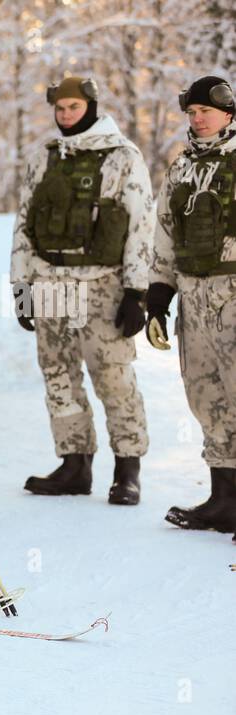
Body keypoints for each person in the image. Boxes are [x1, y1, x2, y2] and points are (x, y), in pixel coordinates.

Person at [10, 75, 153, 505]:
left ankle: (128, 469)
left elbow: (141, 224)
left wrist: (136, 292)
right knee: (58, 375)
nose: (65, 115)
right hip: (51, 283)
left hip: (101, 285)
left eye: (73, 107)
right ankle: (75, 463)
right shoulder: (45, 157)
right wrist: (21, 285)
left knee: (113, 376)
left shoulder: (122, 156)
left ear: (90, 107)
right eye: (60, 108)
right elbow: (23, 224)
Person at [146, 75, 236, 539]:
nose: (197, 119)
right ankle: (224, 500)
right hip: (193, 301)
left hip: (233, 295)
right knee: (206, 398)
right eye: (192, 111)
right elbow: (163, 233)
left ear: (228, 112)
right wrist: (157, 297)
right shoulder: (180, 168)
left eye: (205, 110)